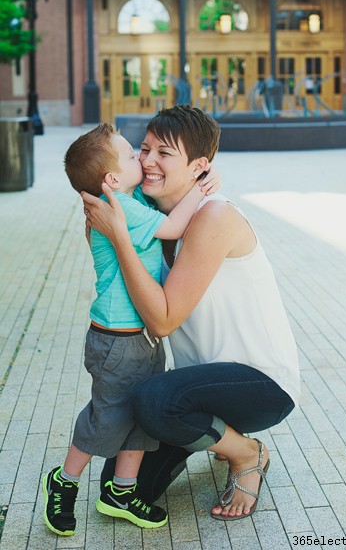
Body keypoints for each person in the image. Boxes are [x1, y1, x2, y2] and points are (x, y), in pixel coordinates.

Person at [82, 105, 301, 522]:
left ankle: (246, 453)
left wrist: (120, 240)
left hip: (260, 382)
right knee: (123, 486)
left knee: (154, 401)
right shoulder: (153, 218)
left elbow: (162, 321)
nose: (147, 162)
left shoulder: (213, 216)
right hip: (197, 385)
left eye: (164, 154)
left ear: (199, 166)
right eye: (143, 150)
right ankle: (215, 432)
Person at [42, 123, 218, 537]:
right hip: (116, 339)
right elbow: (173, 227)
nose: (141, 157)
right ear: (112, 179)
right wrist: (202, 184)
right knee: (108, 417)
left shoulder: (127, 196)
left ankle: (121, 492)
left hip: (141, 336)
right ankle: (63, 481)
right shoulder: (119, 204)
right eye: (130, 154)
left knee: (139, 417)